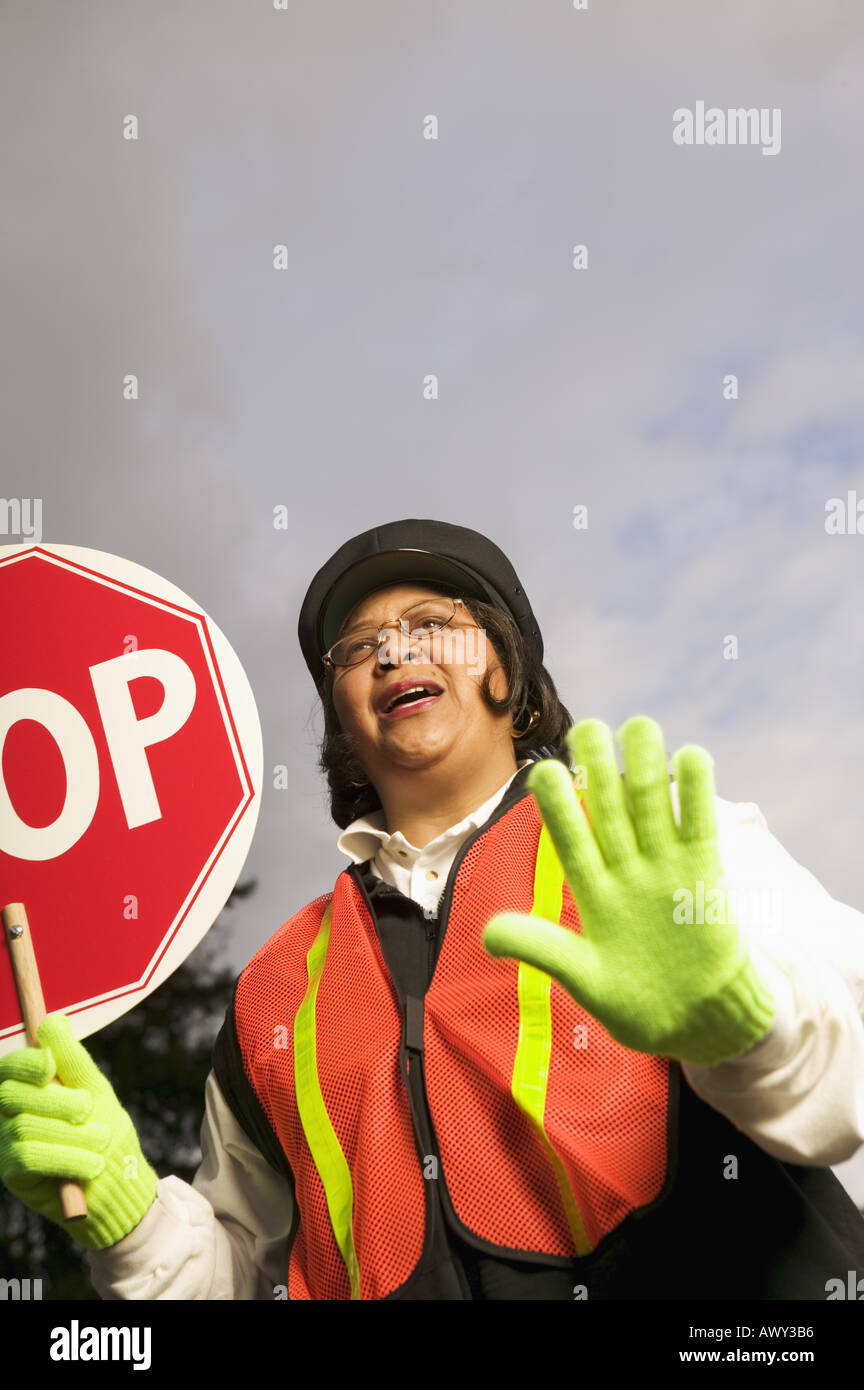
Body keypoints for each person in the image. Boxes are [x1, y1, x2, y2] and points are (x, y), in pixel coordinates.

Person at [2, 516, 864, 1301]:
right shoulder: (273, 993)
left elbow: (848, 1075)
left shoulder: (659, 838)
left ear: (508, 670)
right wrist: (127, 1213)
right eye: (357, 646)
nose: (392, 652)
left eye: (434, 625)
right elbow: (236, 1273)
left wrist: (745, 1026)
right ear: (341, 715)